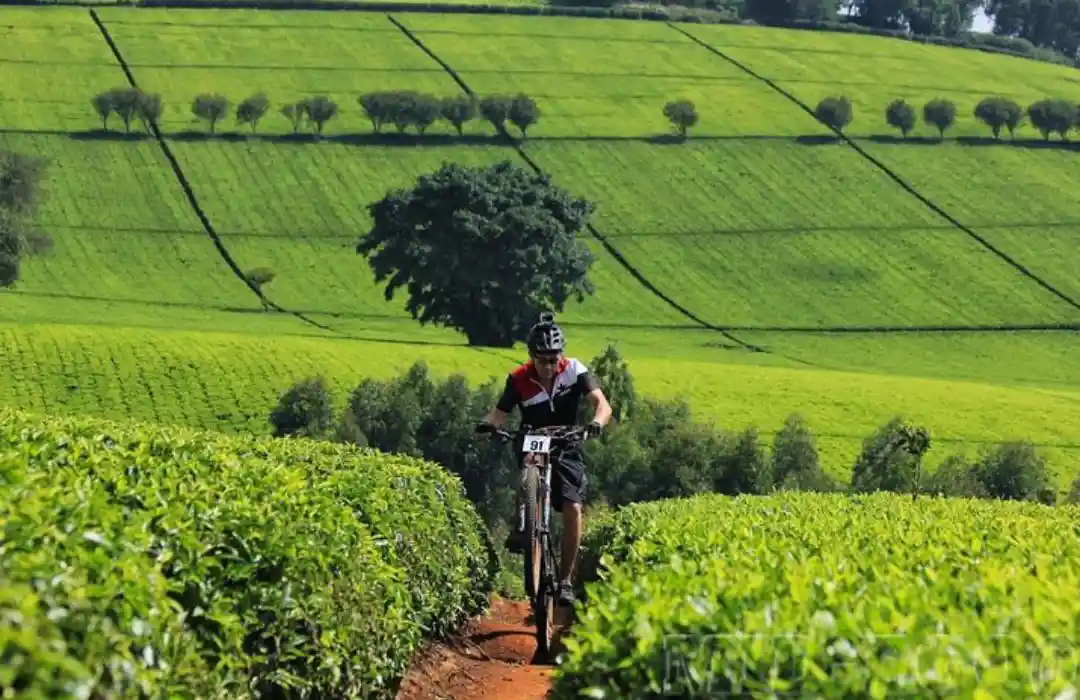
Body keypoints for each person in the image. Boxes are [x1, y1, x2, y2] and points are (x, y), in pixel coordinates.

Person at [474, 312, 612, 607]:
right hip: (532, 438)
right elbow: (499, 414)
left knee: (573, 507)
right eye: (542, 360)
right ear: (531, 357)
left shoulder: (575, 370)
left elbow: (601, 403)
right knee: (528, 464)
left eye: (553, 359)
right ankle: (523, 522)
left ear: (561, 355)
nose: (549, 366)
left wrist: (597, 423)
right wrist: (486, 427)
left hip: (566, 440)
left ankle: (565, 581)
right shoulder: (518, 379)